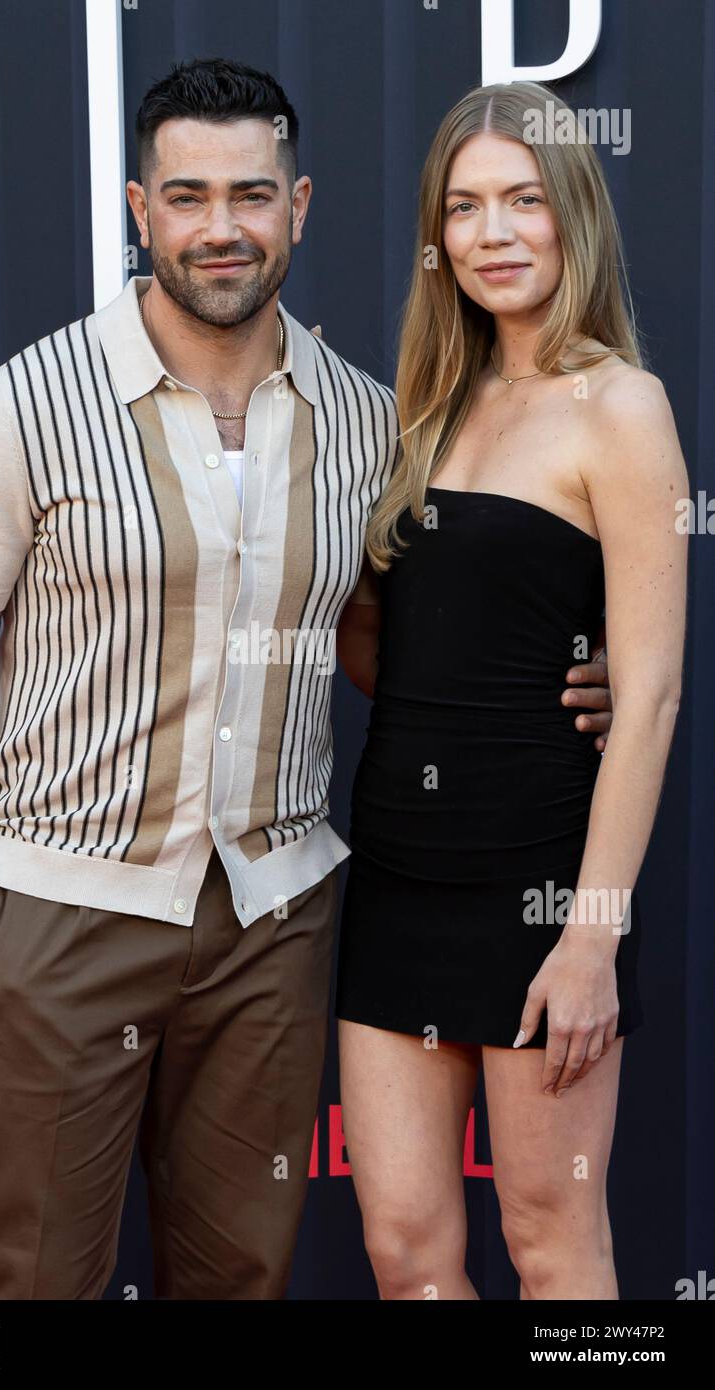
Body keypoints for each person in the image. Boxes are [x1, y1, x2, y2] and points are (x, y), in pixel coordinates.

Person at [0, 60, 615, 1301]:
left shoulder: (371, 423)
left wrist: (557, 683)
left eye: (252, 195)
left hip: (275, 921)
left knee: (239, 1280)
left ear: (301, 206)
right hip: (61, 913)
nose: (221, 227)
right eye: (187, 195)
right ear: (138, 208)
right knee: (28, 1286)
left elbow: (393, 646)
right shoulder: (15, 410)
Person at [334, 81, 687, 1301]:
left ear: (571, 214)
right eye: (465, 206)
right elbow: (385, 651)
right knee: (408, 1257)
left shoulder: (621, 407)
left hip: (539, 881)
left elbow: (642, 698)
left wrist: (589, 935)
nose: (493, 232)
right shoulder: (422, 410)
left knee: (554, 1248)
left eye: (521, 201)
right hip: (391, 872)